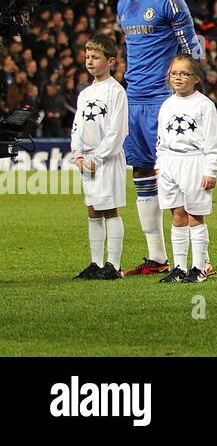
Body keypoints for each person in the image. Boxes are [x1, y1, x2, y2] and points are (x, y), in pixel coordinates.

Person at [114, 0, 204, 276]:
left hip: (164, 100)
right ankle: (157, 256)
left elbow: (191, 48)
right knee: (141, 171)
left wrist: (191, 95)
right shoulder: (123, 5)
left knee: (174, 174)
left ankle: (197, 258)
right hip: (133, 98)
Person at [155, 55, 217, 284]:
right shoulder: (167, 105)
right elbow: (161, 140)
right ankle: (179, 267)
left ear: (196, 78)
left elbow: (213, 142)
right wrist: (159, 166)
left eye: (184, 74)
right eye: (174, 73)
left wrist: (211, 170)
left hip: (195, 162)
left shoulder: (204, 105)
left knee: (195, 216)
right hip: (170, 164)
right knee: (177, 216)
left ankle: (199, 266)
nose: (178, 78)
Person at [71, 33, 128, 280]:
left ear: (111, 61)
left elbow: (117, 131)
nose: (90, 61)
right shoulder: (85, 94)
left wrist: (98, 158)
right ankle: (95, 263)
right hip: (88, 159)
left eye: (95, 57)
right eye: (87, 57)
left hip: (107, 159)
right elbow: (77, 127)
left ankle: (113, 265)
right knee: (93, 210)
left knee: (110, 210)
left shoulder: (116, 92)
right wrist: (79, 156)